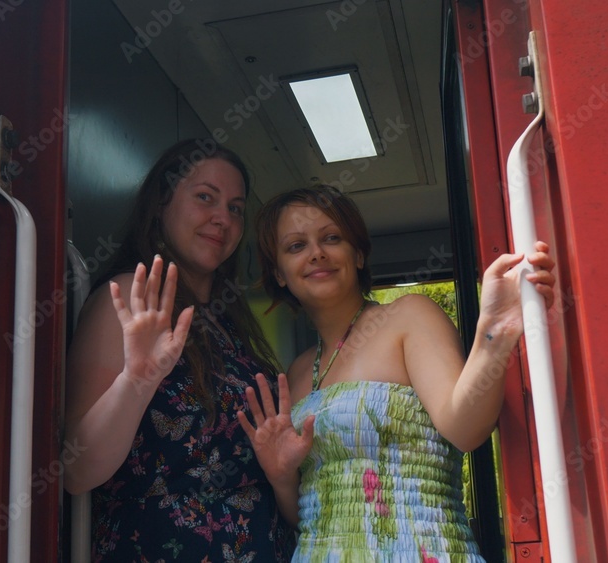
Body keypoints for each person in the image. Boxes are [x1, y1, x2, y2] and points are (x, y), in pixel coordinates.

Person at [238, 184, 556, 561]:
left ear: (357, 254)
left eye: (331, 238)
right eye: (296, 246)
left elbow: (466, 429)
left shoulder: (410, 316)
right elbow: (306, 515)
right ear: (278, 273)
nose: (316, 253)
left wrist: (494, 336)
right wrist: (281, 475)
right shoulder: (298, 372)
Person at [64, 139, 293, 561]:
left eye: (235, 208)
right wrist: (138, 380)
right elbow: (77, 470)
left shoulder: (228, 323)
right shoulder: (129, 301)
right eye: (205, 197)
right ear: (161, 204)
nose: (222, 218)